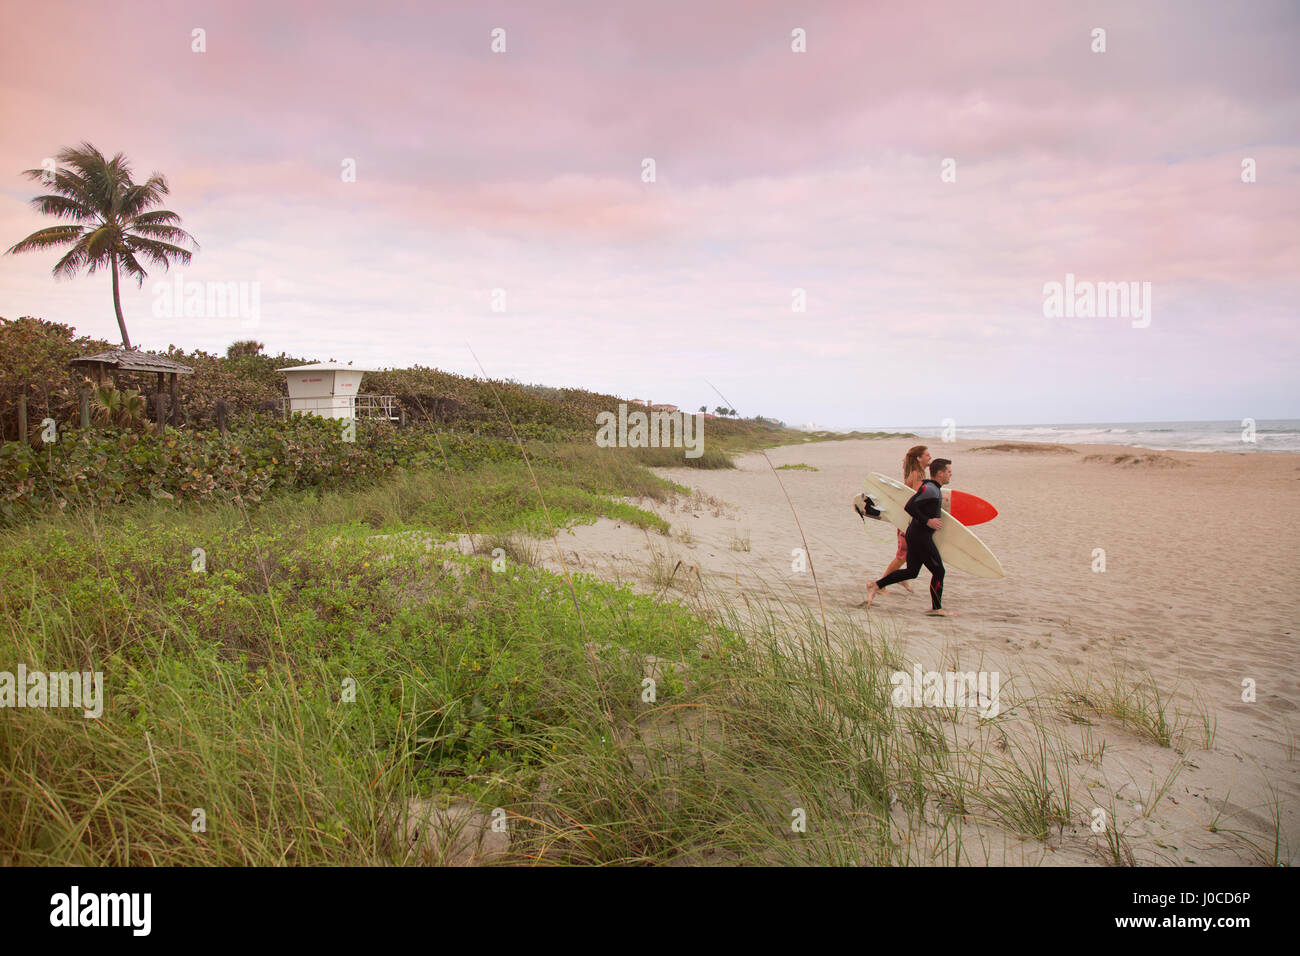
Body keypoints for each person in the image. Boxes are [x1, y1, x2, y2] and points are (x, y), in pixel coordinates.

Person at [866, 458, 955, 616]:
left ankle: (876, 585)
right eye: (948, 471)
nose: (951, 474)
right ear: (940, 473)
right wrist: (928, 521)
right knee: (939, 571)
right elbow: (910, 506)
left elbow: (921, 506)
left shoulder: (932, 488)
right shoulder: (930, 489)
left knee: (912, 571)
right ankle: (937, 608)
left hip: (915, 534)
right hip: (920, 536)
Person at [876, 445, 929, 594]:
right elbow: (918, 498)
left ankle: (899, 578)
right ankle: (881, 585)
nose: (929, 457)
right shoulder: (917, 474)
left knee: (908, 554)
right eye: (927, 455)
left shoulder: (916, 473)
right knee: (902, 555)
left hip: (908, 519)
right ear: (919, 458)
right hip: (908, 521)